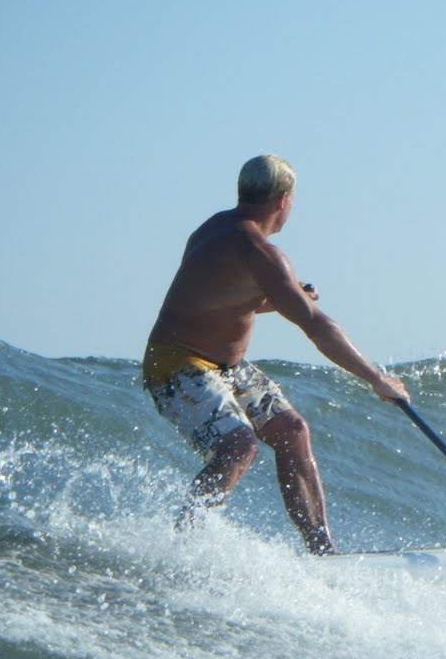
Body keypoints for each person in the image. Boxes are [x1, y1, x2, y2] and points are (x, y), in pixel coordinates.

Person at [142, 154, 409, 553]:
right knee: (239, 446)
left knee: (292, 431)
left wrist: (279, 297)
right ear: (283, 199)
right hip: (177, 365)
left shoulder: (214, 229)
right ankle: (182, 548)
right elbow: (317, 326)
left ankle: (323, 551)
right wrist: (375, 377)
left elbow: (217, 298)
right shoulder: (261, 254)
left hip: (223, 366)